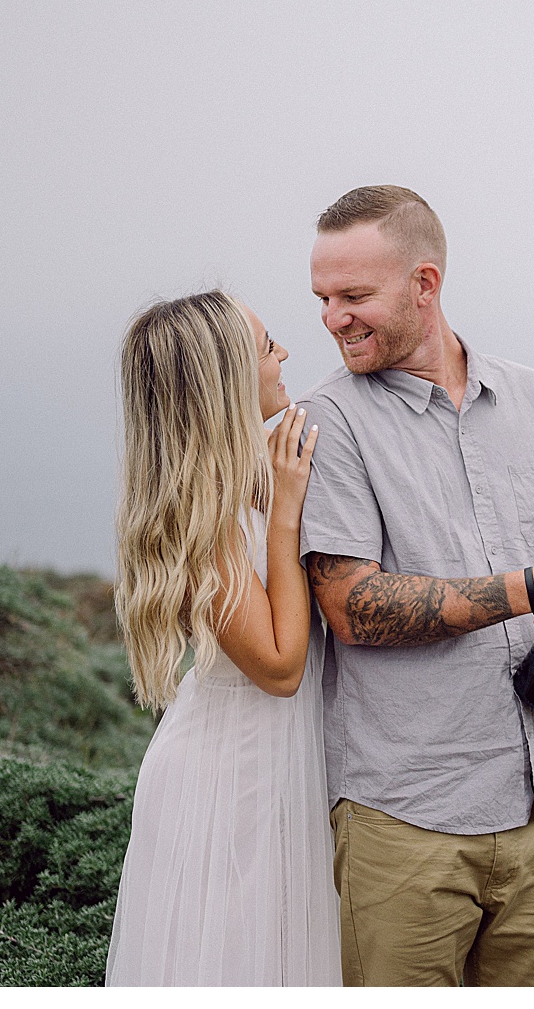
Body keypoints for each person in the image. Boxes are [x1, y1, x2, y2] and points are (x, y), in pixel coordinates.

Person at [298, 185, 534, 986]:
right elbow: (351, 607)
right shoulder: (328, 421)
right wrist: (532, 588)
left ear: (425, 283)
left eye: (354, 295)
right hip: (403, 822)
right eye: (321, 298)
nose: (332, 318)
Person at [104, 290, 341, 986]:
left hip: (274, 770)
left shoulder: (237, 481)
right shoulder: (200, 510)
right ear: (228, 379)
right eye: (269, 346)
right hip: (228, 786)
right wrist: (285, 516)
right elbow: (277, 665)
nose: (286, 355)